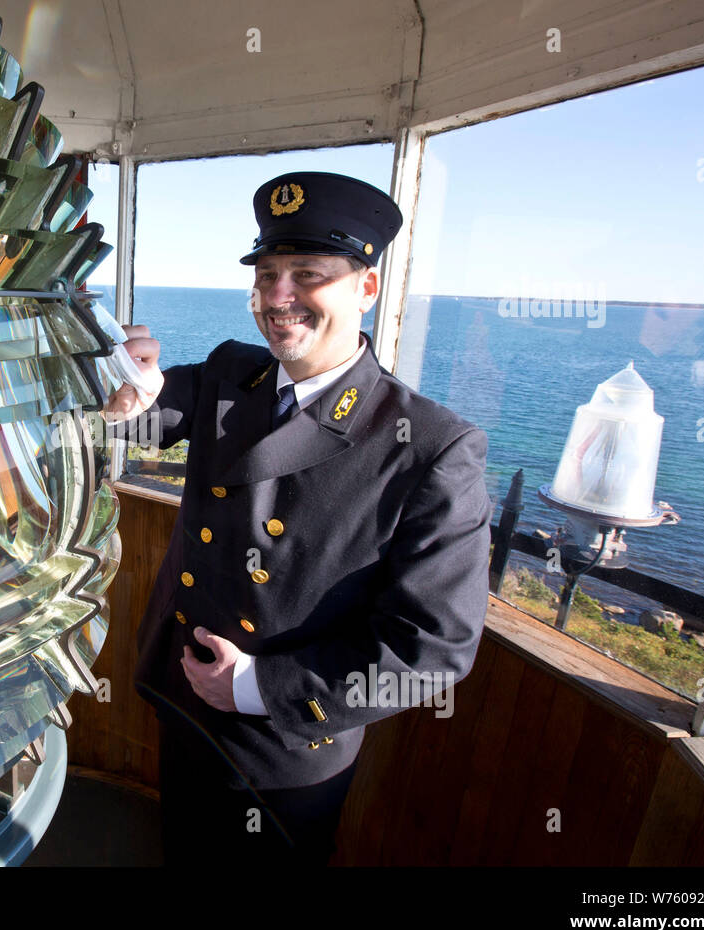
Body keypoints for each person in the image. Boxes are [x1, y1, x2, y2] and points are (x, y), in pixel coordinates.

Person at [104, 171, 493, 865]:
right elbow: (147, 418)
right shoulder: (234, 372)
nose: (278, 299)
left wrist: (256, 687)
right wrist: (121, 386)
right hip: (180, 689)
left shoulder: (430, 446)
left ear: (366, 289)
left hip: (282, 743)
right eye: (268, 274)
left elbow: (433, 650)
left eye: (307, 274)